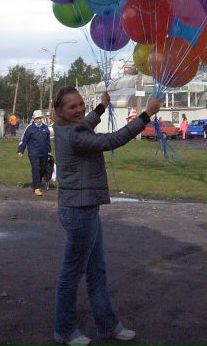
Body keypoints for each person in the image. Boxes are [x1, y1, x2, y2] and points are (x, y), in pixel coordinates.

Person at [53, 86, 160, 346]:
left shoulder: (70, 127)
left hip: (85, 208)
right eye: (72, 107)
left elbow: (87, 122)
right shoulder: (75, 135)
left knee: (96, 270)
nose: (79, 109)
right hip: (78, 211)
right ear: (59, 111)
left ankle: (107, 325)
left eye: (81, 103)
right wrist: (146, 115)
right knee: (72, 273)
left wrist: (101, 107)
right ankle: (64, 330)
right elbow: (111, 141)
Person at [17, 109, 51, 196]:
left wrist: (49, 151)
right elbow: (24, 140)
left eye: (40, 118)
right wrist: (20, 150)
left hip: (44, 153)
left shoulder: (45, 128)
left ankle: (37, 183)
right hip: (33, 153)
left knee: (42, 170)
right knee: (36, 168)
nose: (39, 120)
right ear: (34, 118)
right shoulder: (29, 128)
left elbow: (47, 141)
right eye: (37, 118)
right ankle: (36, 188)